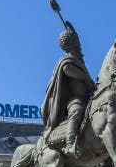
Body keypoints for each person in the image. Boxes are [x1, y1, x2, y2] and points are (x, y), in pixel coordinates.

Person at [41, 21, 95, 157]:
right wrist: (84, 77)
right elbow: (68, 70)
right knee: (77, 111)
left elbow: (79, 53)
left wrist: (74, 32)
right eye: (76, 42)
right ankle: (71, 143)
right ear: (72, 44)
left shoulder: (78, 60)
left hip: (88, 98)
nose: (79, 45)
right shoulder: (65, 61)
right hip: (74, 99)